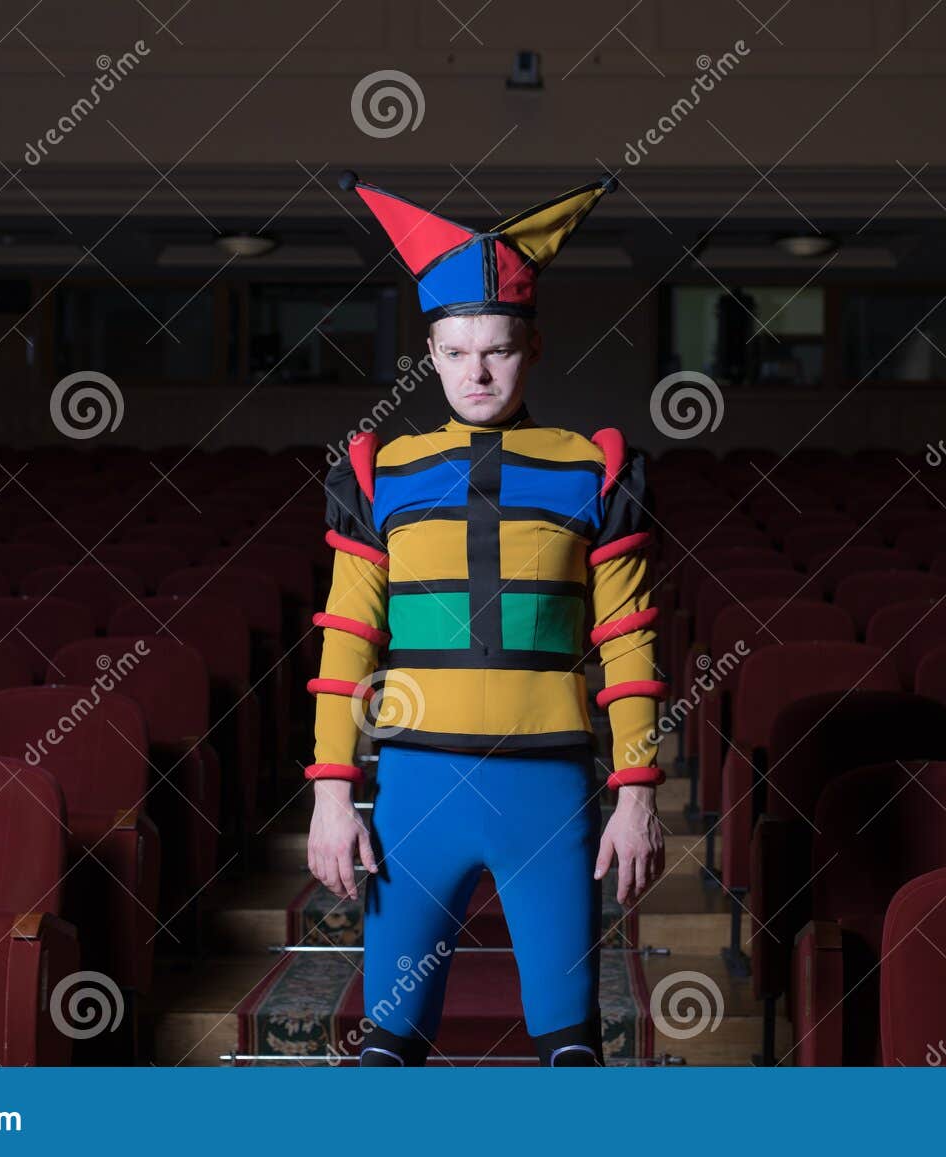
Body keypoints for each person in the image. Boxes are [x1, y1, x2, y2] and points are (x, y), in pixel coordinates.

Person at [305, 170, 667, 1068]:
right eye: (457, 350)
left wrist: (638, 792)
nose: (477, 371)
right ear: (431, 353)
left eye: (497, 349)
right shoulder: (377, 469)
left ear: (532, 348)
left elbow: (627, 641)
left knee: (572, 1050)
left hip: (549, 787)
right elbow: (347, 638)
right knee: (387, 1048)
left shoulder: (596, 467)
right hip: (416, 784)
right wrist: (329, 794)